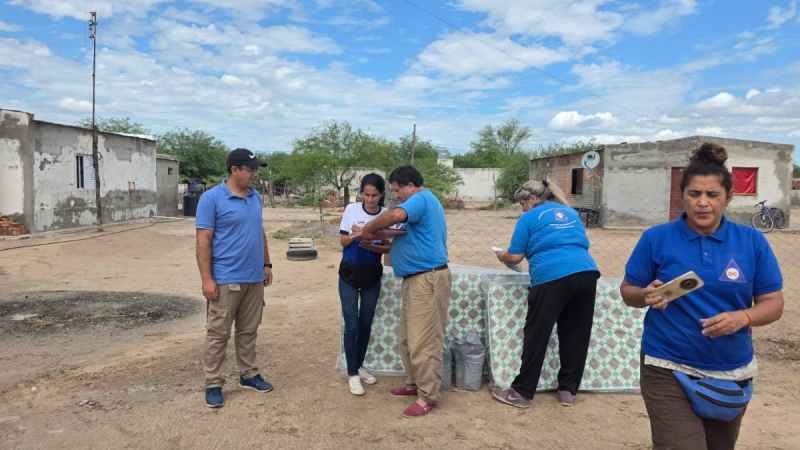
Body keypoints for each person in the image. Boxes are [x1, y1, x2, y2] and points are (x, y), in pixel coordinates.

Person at [621, 143, 784, 450]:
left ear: (729, 197)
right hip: (667, 364)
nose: (703, 203)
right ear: (682, 196)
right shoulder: (656, 239)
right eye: (694, 194)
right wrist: (645, 295)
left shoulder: (752, 241)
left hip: (731, 369)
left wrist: (743, 317)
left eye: (713, 195)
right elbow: (628, 293)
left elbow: (774, 304)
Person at [492, 180, 600, 409]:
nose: (521, 208)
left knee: (537, 334)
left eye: (522, 202)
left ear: (531, 199)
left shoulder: (529, 217)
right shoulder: (570, 212)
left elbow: (515, 257)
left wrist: (501, 255)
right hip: (586, 273)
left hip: (552, 275)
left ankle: (521, 392)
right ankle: (568, 390)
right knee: (576, 335)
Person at [359, 165, 451, 418]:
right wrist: (372, 243)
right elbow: (394, 245)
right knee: (407, 339)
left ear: (410, 185)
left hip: (427, 278)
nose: (396, 196)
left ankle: (428, 396)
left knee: (424, 341)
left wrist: (370, 228)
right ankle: (415, 384)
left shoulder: (420, 199)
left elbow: (394, 215)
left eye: (397, 190)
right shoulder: (419, 207)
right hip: (416, 279)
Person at [195, 148, 275, 408]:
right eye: (251, 169)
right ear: (235, 170)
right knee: (218, 333)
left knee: (248, 330)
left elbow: (258, 230)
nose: (255, 174)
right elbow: (203, 241)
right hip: (225, 278)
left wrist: (266, 263)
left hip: (253, 278)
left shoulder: (255, 197)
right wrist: (207, 280)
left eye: (256, 169)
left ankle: (249, 374)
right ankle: (213, 383)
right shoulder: (211, 199)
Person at [338, 173, 391, 396]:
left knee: (365, 325)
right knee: (351, 325)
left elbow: (388, 248)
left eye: (374, 195)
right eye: (366, 195)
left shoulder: (387, 215)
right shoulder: (351, 210)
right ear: (361, 194)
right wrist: (358, 235)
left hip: (372, 276)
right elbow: (342, 240)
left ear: (382, 195)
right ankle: (352, 375)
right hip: (348, 274)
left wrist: (371, 244)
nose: (370, 199)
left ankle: (358, 366)